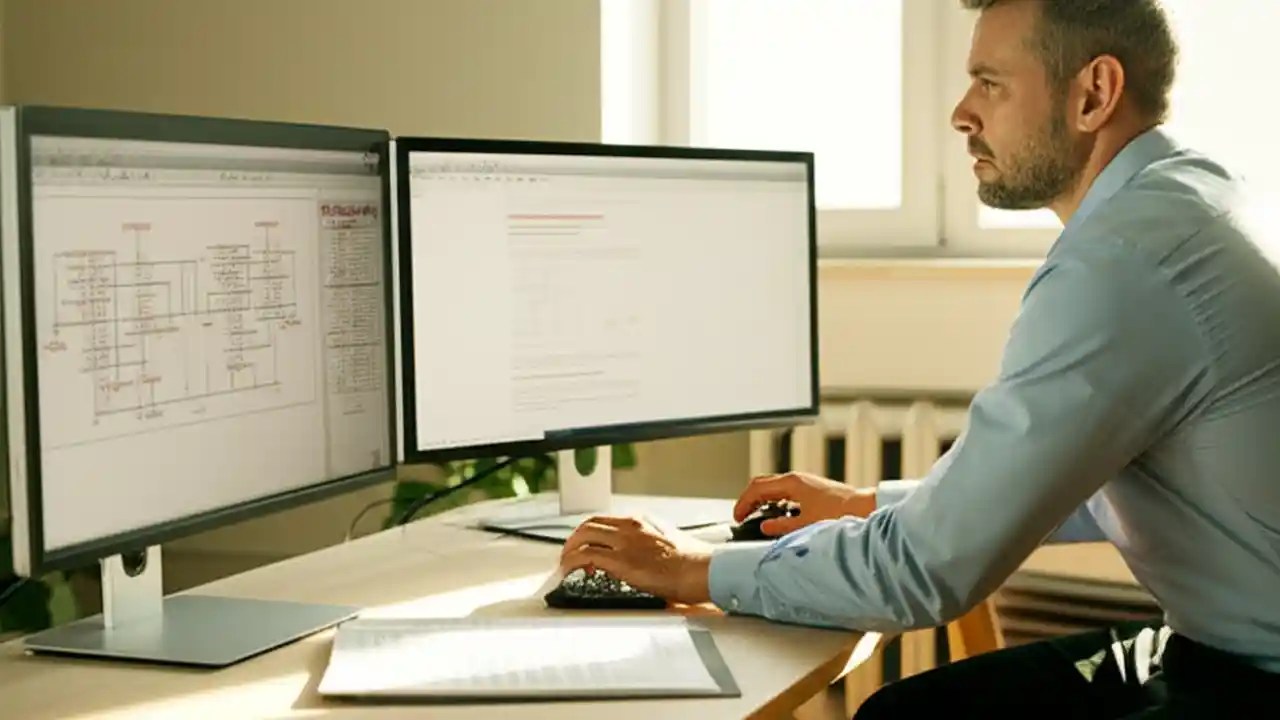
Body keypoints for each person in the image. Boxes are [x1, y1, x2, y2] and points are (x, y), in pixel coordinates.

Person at [561, 0, 1280, 716]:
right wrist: (866, 504)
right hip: (1218, 645)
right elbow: (1090, 485)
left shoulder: (1122, 263)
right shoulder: (1194, 197)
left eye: (991, 83)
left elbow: (927, 570)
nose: (962, 113)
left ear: (1093, 93)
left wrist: (689, 569)